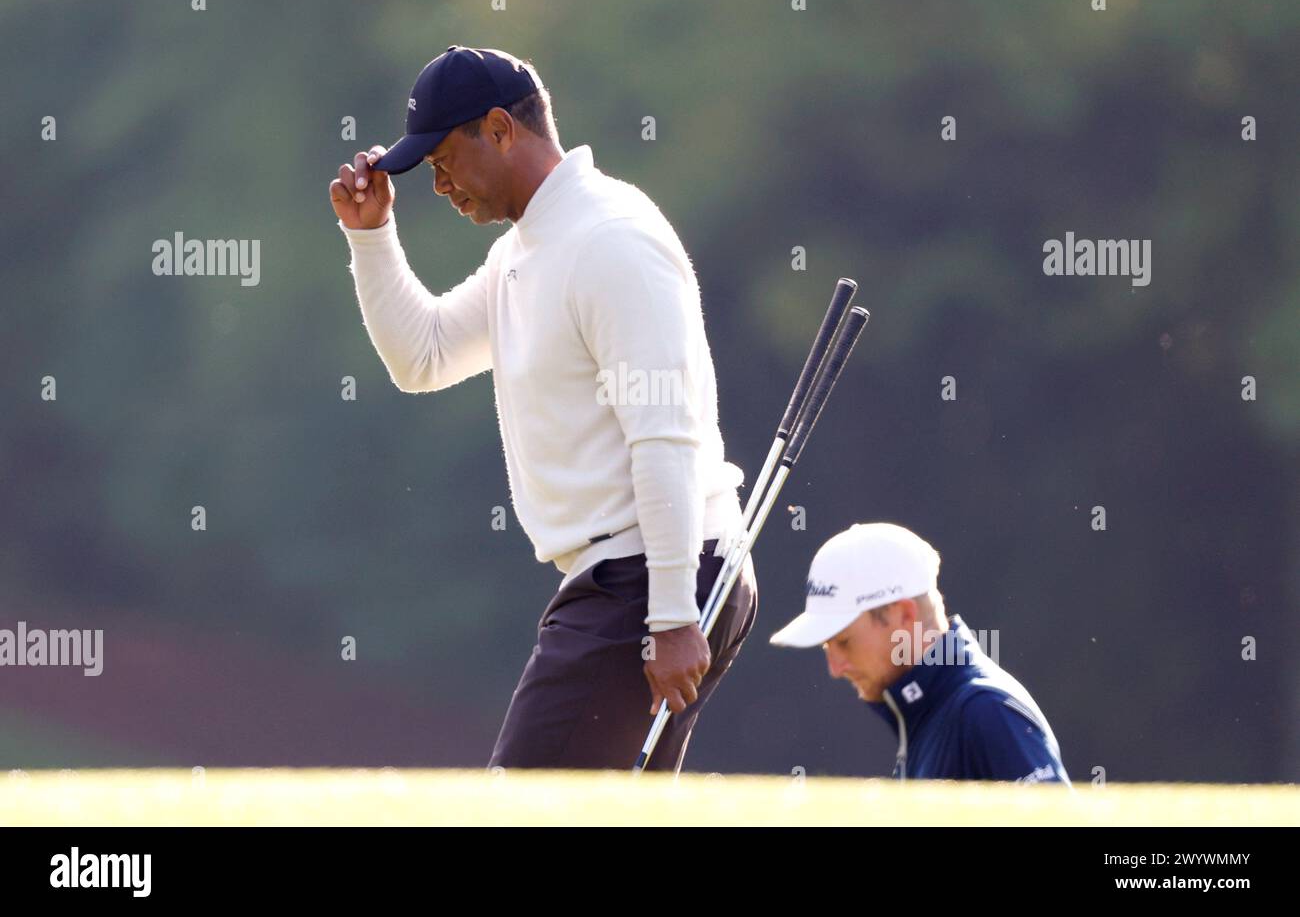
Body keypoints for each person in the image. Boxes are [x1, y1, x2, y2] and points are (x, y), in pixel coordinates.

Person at [327, 46, 756, 771]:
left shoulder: (609, 237)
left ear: (499, 129)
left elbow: (664, 436)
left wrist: (675, 614)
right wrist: (370, 235)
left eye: (442, 160)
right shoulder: (525, 250)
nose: (438, 185)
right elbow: (423, 355)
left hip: (650, 575)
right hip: (629, 579)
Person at [770, 523, 1068, 783]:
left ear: (903, 615)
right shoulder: (928, 711)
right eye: (827, 646)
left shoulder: (986, 711)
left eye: (845, 642)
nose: (835, 668)